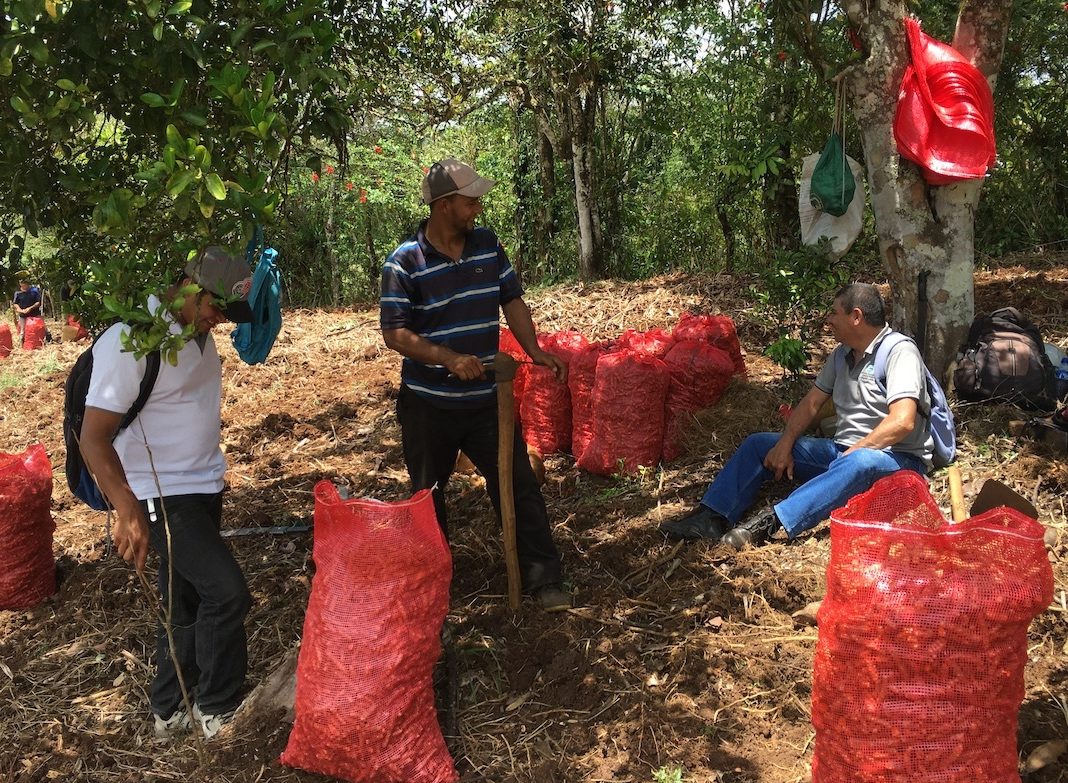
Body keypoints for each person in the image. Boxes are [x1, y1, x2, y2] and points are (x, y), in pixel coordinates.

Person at [380, 158, 572, 612]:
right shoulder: (404, 263)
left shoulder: (487, 246)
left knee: (519, 484)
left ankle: (543, 578)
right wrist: (447, 358)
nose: (477, 209)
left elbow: (512, 300)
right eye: (470, 202)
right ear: (444, 205)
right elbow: (395, 333)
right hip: (428, 405)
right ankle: (434, 590)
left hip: (487, 402)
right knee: (427, 497)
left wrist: (536, 350)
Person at [78, 247, 254, 739]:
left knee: (185, 601)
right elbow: (93, 437)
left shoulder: (195, 334)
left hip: (201, 484)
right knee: (228, 593)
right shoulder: (131, 340)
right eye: (216, 308)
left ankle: (169, 706)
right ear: (190, 287)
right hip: (161, 493)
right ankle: (217, 708)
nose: (218, 321)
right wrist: (127, 509)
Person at [660, 283, 933, 548]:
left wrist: (856, 451)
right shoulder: (841, 355)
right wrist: (786, 443)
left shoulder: (899, 351)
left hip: (897, 461)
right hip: (845, 454)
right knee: (759, 444)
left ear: (856, 316)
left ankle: (771, 522)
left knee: (860, 462)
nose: (829, 321)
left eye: (834, 313)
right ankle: (712, 517)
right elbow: (812, 403)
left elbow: (903, 421)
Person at [13, 279, 42, 344]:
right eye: (22, 285)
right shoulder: (17, 293)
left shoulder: (34, 291)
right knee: (23, 331)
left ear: (27, 284)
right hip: (23, 315)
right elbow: (15, 304)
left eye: (25, 285)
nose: (23, 286)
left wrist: (30, 308)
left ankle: (45, 341)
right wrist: (20, 310)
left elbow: (38, 302)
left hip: (35, 314)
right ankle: (23, 345)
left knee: (41, 327)